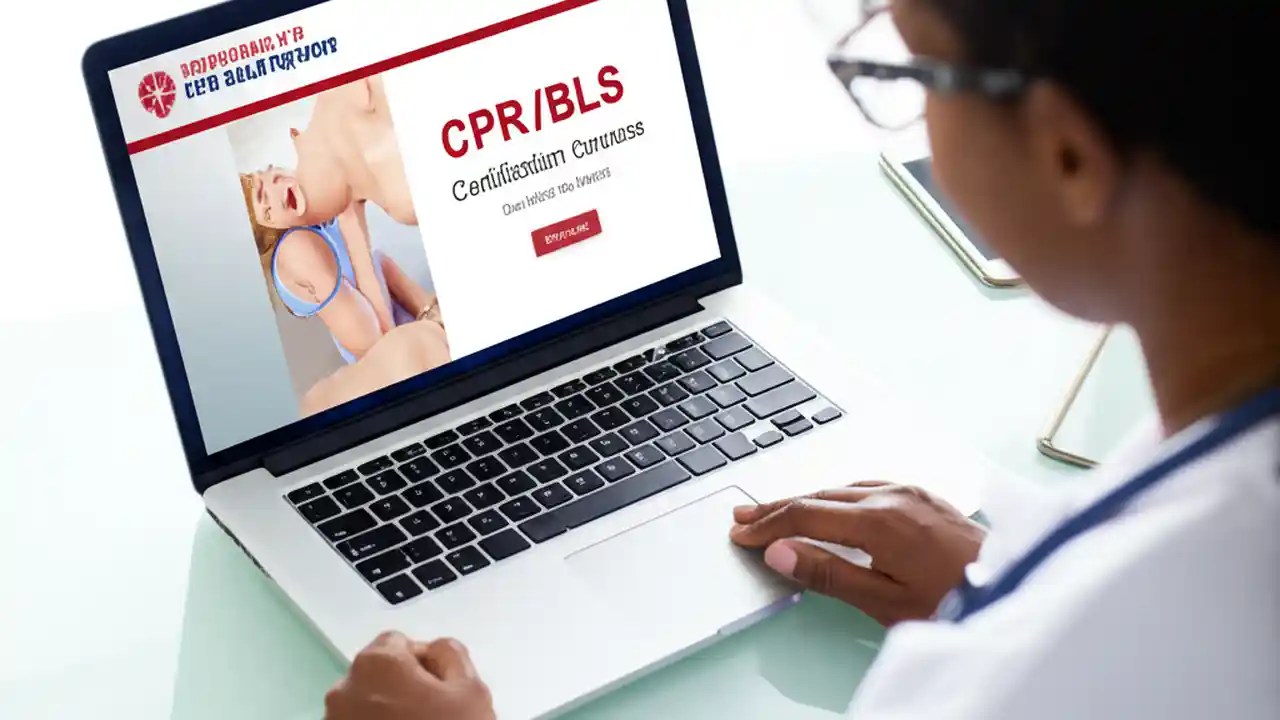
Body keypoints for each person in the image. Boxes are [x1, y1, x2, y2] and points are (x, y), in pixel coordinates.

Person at [321, 0, 1280, 718]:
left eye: (914, 68)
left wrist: (1015, 630)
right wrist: (1013, 574)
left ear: (1071, 156)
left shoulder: (1011, 687)